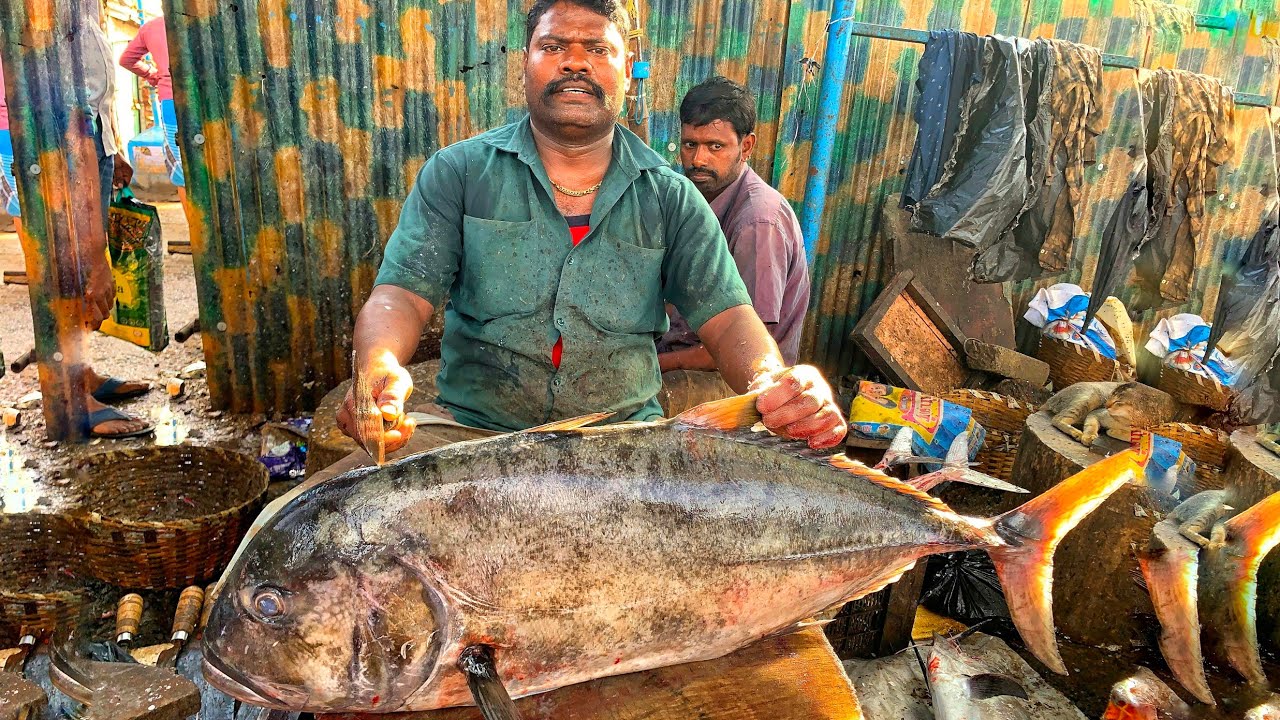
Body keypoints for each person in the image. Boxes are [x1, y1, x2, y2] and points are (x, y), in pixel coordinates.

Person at [334, 0, 845, 463]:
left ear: (626, 68)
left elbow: (730, 319)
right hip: (472, 436)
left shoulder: (670, 196)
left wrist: (773, 382)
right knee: (318, 524)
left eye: (597, 48)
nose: (575, 61)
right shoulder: (460, 173)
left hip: (623, 448)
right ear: (527, 63)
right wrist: (378, 366)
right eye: (553, 46)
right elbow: (401, 294)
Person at [659, 77, 809, 370]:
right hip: (690, 345)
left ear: (747, 146)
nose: (698, 159)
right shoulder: (696, 199)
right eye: (690, 145)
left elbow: (748, 346)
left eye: (715, 146)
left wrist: (653, 363)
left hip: (735, 377)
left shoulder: (758, 222)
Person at [119, 15, 186, 200]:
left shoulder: (153, 27)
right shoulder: (207, 18)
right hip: (210, 98)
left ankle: (195, 227)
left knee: (182, 172)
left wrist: (152, 74)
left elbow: (126, 59)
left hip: (170, 102)